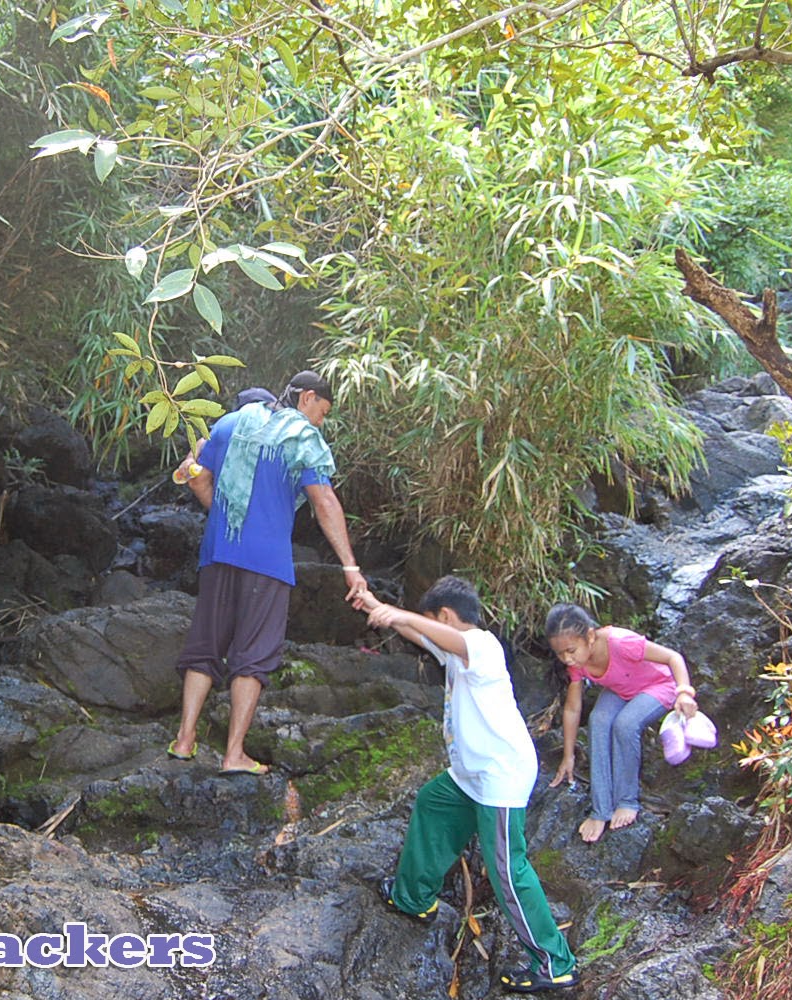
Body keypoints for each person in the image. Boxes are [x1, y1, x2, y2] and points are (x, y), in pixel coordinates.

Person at [354, 577, 578, 994]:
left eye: (432, 620)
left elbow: (431, 631)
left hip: (500, 775)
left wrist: (398, 613)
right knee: (432, 803)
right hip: (469, 775)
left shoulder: (484, 646)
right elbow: (419, 633)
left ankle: (555, 963)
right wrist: (375, 605)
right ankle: (413, 898)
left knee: (507, 871)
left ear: (446, 616)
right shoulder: (456, 648)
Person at [166, 371, 367, 775]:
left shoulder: (231, 421)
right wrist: (350, 566)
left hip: (218, 553)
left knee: (206, 644)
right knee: (253, 656)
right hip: (268, 563)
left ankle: (184, 741)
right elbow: (323, 500)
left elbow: (198, 476)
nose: (321, 422)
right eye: (322, 412)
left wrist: (223, 516)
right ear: (307, 397)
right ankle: (234, 754)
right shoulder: (300, 436)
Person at [544, 603, 697, 844]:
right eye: (560, 654)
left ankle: (627, 801)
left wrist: (685, 692)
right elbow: (573, 708)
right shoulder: (577, 663)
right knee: (599, 720)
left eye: (571, 650)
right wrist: (568, 755)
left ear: (590, 636)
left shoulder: (620, 642)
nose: (567, 658)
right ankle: (600, 809)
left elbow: (672, 657)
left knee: (625, 724)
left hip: (659, 686)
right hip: (623, 689)